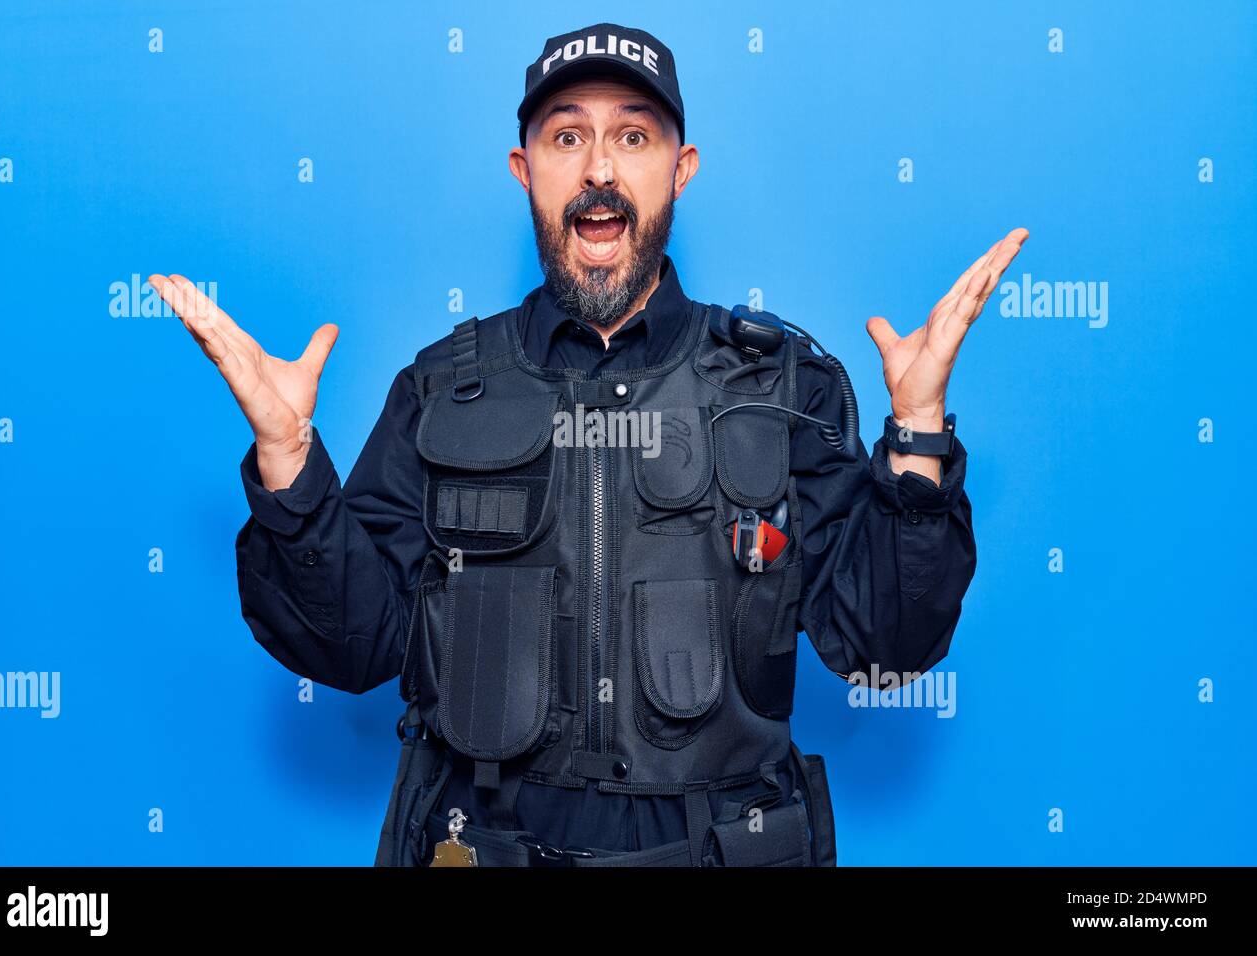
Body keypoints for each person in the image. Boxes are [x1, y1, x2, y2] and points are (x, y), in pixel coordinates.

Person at [149, 22, 1026, 867]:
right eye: (568, 138)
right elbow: (353, 647)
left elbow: (884, 652)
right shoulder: (440, 388)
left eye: (633, 137)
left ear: (679, 171)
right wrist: (289, 459)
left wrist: (916, 434)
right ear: (525, 172)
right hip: (479, 844)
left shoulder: (782, 385)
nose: (600, 169)